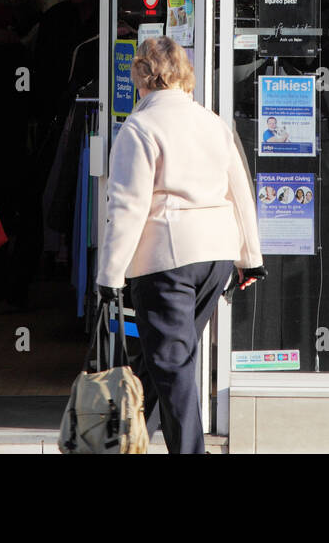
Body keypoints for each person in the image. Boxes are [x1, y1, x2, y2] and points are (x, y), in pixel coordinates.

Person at [97, 37, 265, 454]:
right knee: (167, 359)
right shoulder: (211, 121)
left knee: (171, 364)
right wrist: (251, 259)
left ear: (141, 74)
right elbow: (238, 191)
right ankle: (124, 443)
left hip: (166, 258)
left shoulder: (140, 127)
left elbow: (129, 206)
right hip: (217, 255)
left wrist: (109, 275)